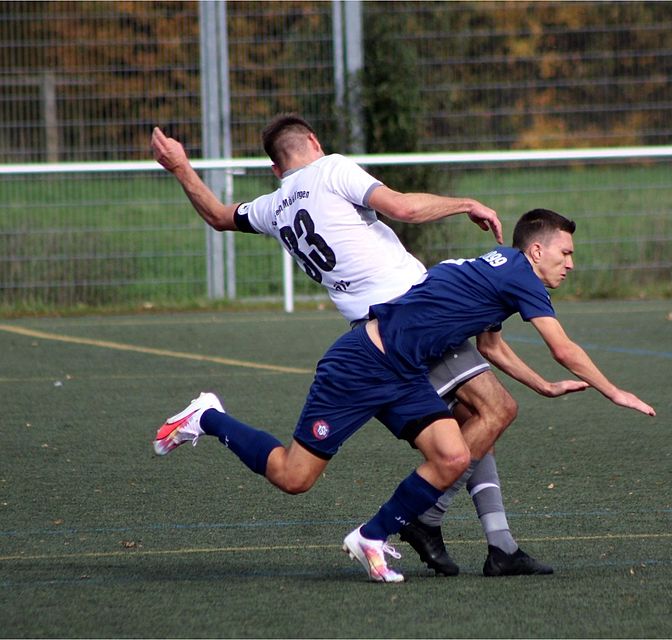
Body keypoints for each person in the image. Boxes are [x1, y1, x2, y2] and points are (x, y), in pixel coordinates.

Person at [150, 114, 565, 576]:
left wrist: (181, 168)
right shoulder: (332, 168)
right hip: (410, 318)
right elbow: (403, 208)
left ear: (275, 168)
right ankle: (432, 520)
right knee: (494, 411)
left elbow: (218, 215)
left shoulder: (274, 204)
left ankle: (495, 543)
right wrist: (465, 202)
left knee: (473, 422)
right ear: (314, 141)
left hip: (374, 328)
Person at [153, 208, 656, 583]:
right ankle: (208, 417)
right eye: (566, 253)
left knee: (454, 453)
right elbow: (563, 348)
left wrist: (542, 386)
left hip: (405, 373)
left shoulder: (500, 268)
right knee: (293, 476)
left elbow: (489, 343)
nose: (571, 263)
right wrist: (614, 392)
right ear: (537, 250)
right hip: (360, 365)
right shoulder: (522, 277)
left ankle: (371, 536)